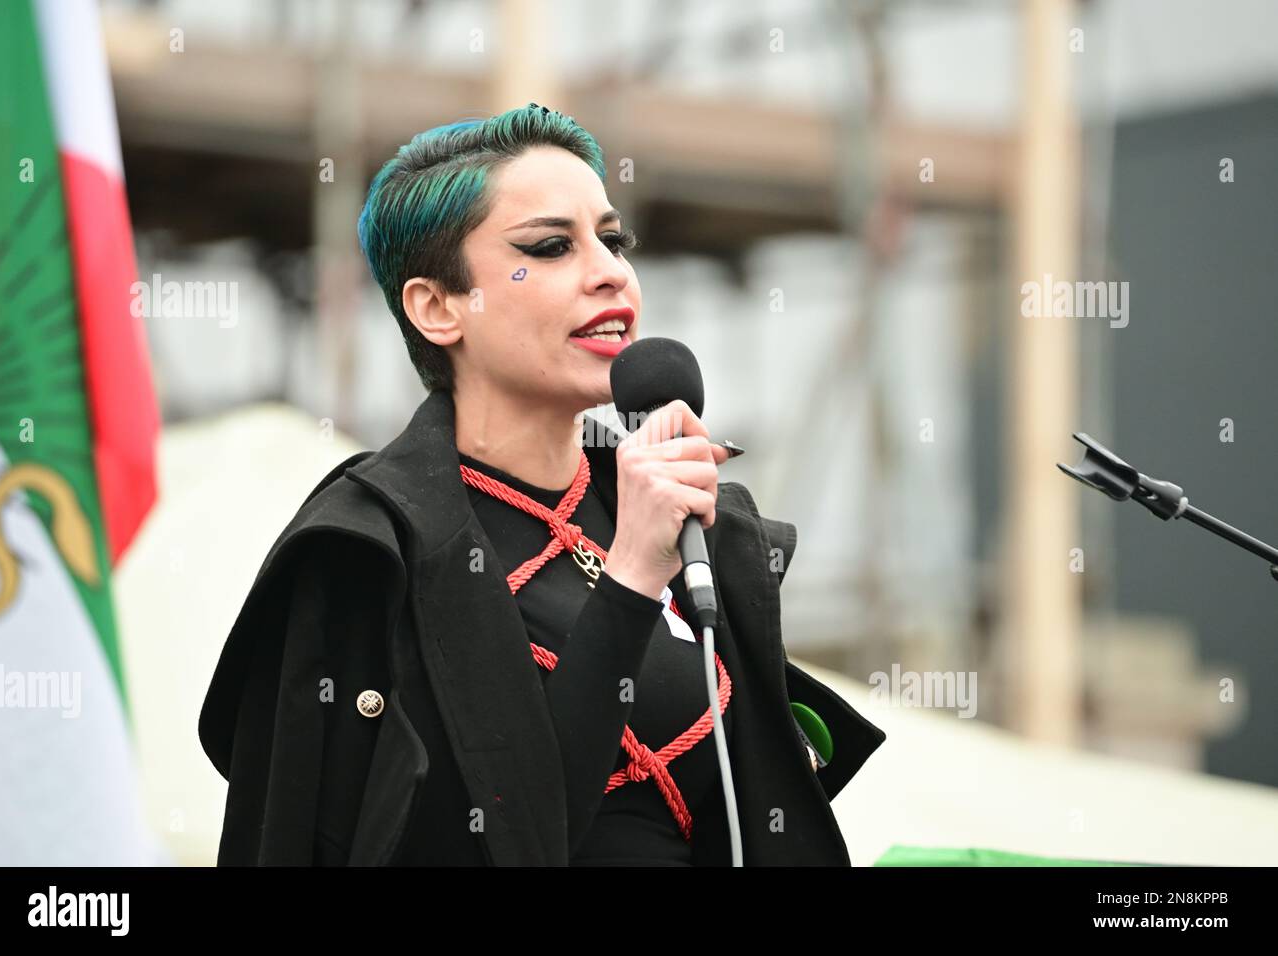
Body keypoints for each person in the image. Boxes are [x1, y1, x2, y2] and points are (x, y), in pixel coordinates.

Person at [198, 103, 885, 866]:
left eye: (612, 239)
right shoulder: (367, 552)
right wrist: (627, 579)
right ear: (437, 307)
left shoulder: (689, 530)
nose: (610, 272)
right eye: (552, 247)